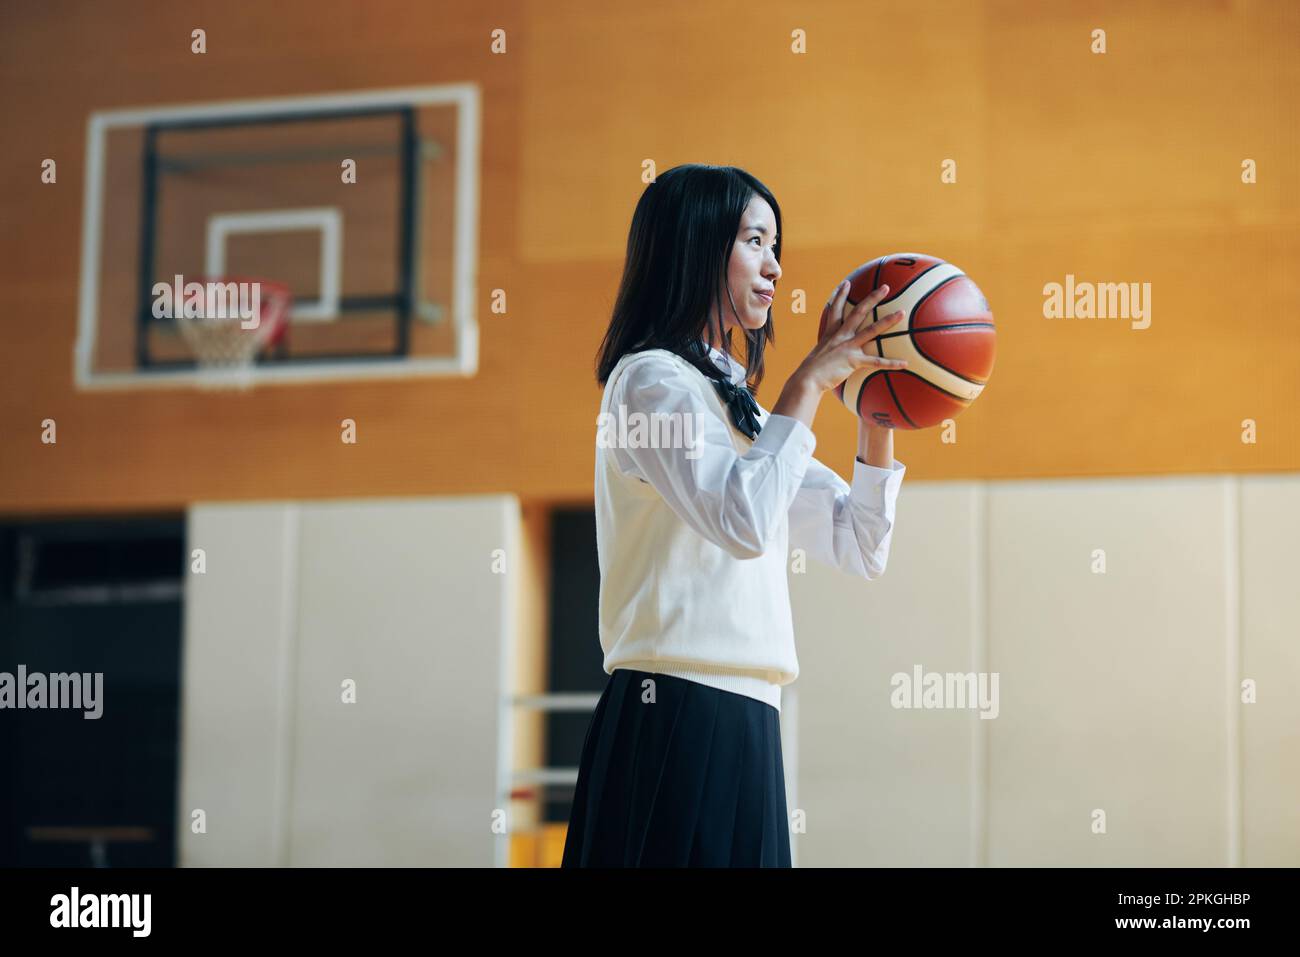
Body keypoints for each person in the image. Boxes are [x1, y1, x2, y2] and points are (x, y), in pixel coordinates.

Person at [562, 164, 909, 867]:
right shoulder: (650, 381)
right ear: (695, 245)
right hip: (671, 715)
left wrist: (879, 409)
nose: (776, 266)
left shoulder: (737, 403)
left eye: (775, 245)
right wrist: (809, 380)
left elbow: (859, 542)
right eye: (756, 241)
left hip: (752, 715)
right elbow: (745, 521)